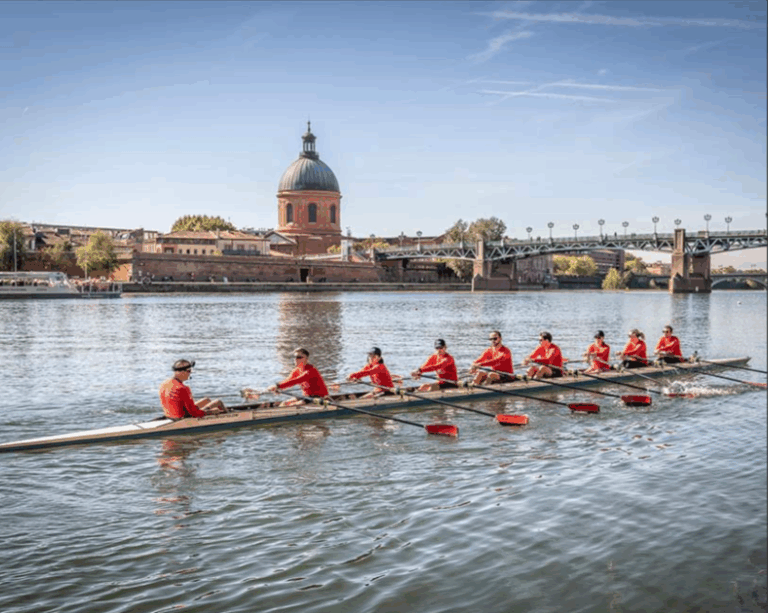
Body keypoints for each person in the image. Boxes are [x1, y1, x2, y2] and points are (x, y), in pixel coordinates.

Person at [159, 359, 225, 420]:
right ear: (181, 372)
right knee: (218, 402)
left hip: (170, 416)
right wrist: (211, 412)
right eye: (189, 371)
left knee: (206, 400)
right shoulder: (182, 388)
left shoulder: (164, 384)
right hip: (183, 419)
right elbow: (194, 413)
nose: (190, 373)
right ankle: (227, 418)